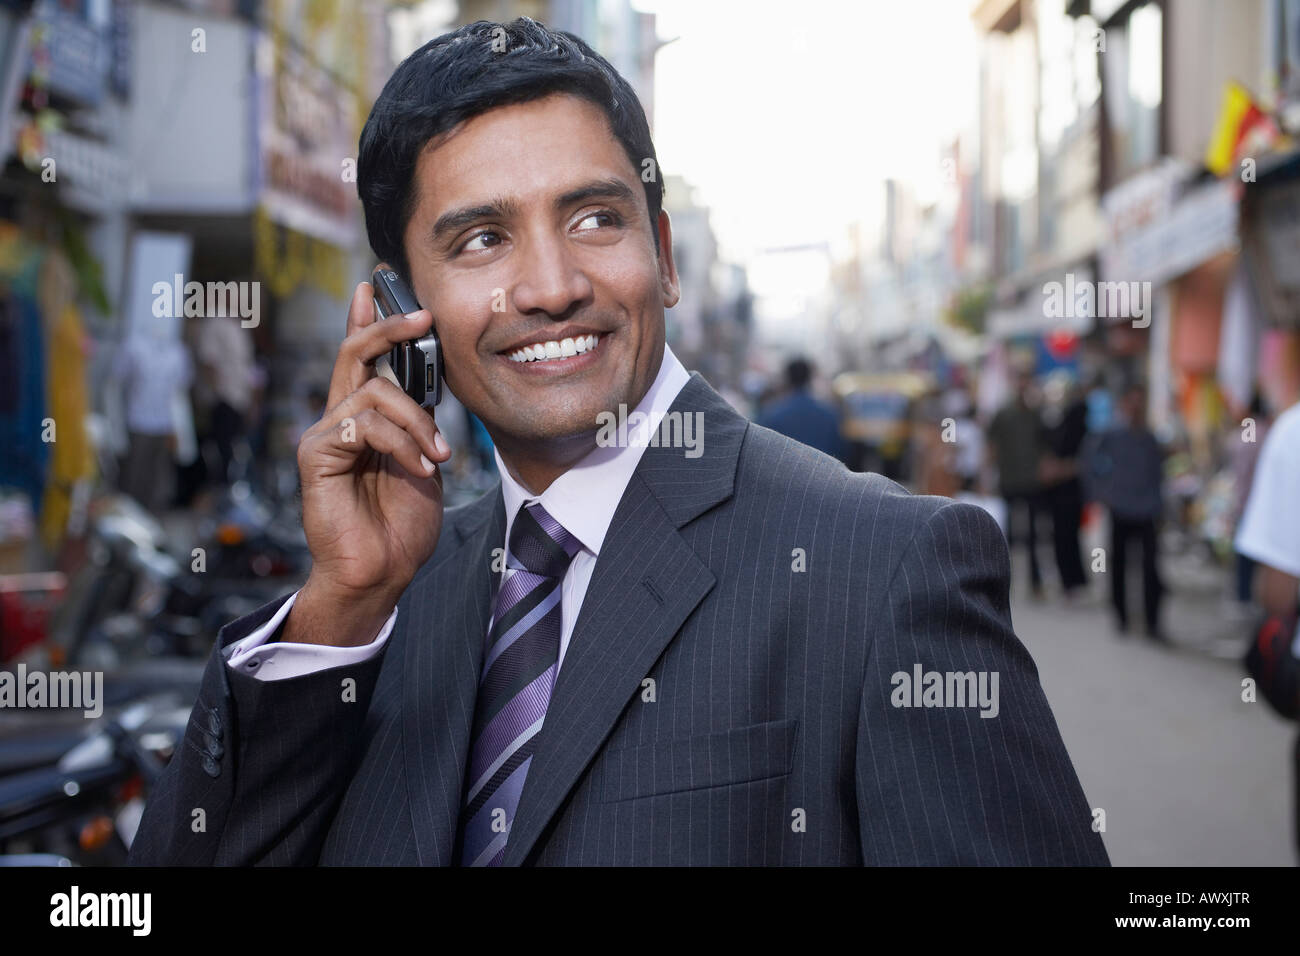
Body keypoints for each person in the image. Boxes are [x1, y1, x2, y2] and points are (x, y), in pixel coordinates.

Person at [129, 18, 1107, 867]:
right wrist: (341, 606)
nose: (552, 283)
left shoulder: (883, 569)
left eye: (595, 217)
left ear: (665, 255)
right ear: (399, 308)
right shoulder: (378, 603)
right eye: (481, 240)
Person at [1084, 384, 1165, 641]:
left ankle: (1152, 622)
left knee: (1150, 568)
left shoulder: (1150, 438)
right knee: (1118, 565)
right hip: (1120, 509)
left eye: (1139, 402)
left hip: (1147, 510)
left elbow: (1157, 473)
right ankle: (1121, 617)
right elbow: (1090, 463)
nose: (1135, 408)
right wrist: (1101, 493)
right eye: (1131, 402)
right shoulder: (1111, 435)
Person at [112, 321, 192, 514]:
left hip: (164, 424)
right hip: (137, 421)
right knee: (133, 475)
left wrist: (179, 429)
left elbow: (180, 393)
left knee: (157, 479)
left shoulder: (178, 353)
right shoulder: (134, 346)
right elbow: (116, 383)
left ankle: (150, 520)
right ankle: (127, 517)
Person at [987, 372, 1047, 596]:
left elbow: (1043, 446)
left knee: (1032, 532)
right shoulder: (1004, 413)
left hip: (1030, 480)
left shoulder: (1034, 415)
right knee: (1009, 531)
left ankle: (1035, 582)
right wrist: (987, 475)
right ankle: (1005, 579)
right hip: (1009, 478)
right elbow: (992, 444)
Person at [1042, 379, 1088, 600]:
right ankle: (1072, 581)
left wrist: (1060, 470)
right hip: (1065, 493)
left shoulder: (1072, 424)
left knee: (1065, 537)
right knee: (1066, 536)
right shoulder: (1069, 424)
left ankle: (1071, 581)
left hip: (1066, 491)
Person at [755, 356, 848, 464]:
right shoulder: (830, 414)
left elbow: (762, 451)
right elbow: (842, 450)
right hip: (825, 475)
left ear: (787, 379)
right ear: (809, 378)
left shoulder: (772, 414)